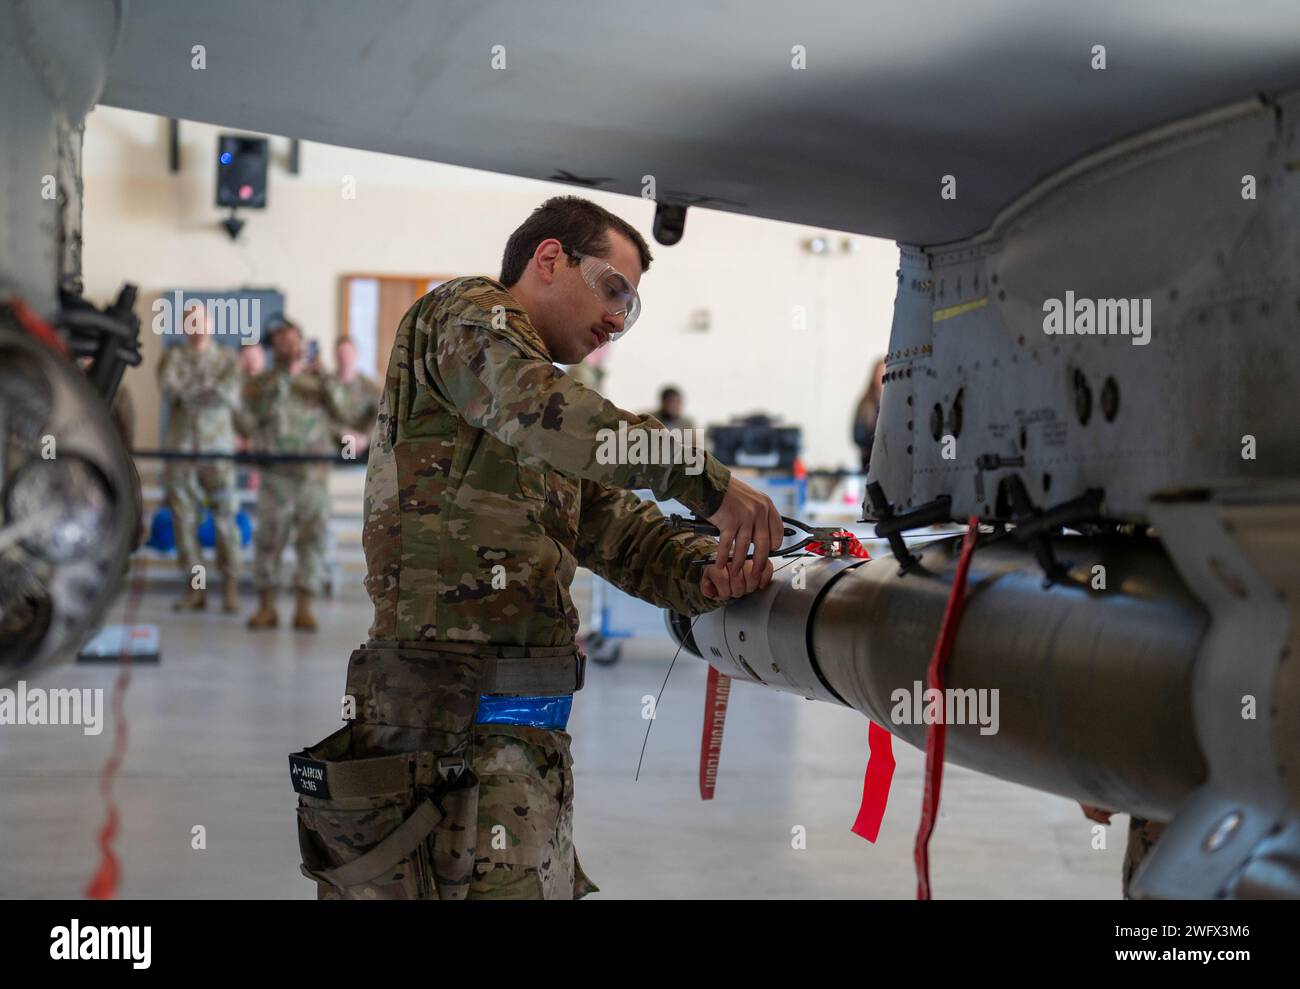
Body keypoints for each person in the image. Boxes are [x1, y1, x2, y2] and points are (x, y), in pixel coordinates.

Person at [295, 195, 783, 900]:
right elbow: (536, 405)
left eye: (631, 305)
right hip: (440, 741)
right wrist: (705, 481)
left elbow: (616, 530)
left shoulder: (542, 416)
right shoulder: (465, 318)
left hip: (519, 749)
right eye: (613, 289)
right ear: (550, 259)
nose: (618, 317)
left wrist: (708, 570)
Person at [245, 318, 349, 631]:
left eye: (294, 341)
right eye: (282, 341)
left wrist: (325, 378)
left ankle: (305, 606)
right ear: (273, 346)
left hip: (312, 473)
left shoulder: (319, 380)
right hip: (276, 474)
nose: (290, 347)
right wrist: (286, 379)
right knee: (269, 540)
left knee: (312, 539)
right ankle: (267, 607)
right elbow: (252, 416)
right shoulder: (262, 382)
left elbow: (345, 412)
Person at [157, 309, 242, 612]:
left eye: (201, 320)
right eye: (190, 321)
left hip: (217, 450)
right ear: (184, 326)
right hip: (181, 450)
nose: (196, 326)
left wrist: (191, 391)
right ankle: (197, 590)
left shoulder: (227, 358)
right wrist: (207, 390)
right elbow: (169, 389)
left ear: (211, 324)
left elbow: (229, 394)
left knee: (225, 518)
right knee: (184, 520)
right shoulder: (173, 357)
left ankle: (230, 589)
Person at [331, 336, 381, 455]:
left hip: (365, 445)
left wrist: (365, 437)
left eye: (348, 354)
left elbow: (381, 414)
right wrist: (342, 432)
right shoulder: (326, 385)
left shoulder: (370, 386)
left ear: (356, 355)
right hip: (334, 443)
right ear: (335, 356)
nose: (345, 359)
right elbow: (320, 416)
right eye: (341, 354)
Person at [852, 357, 886, 473]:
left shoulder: (893, 403)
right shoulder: (866, 403)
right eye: (880, 373)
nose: (883, 376)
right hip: (869, 461)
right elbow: (857, 435)